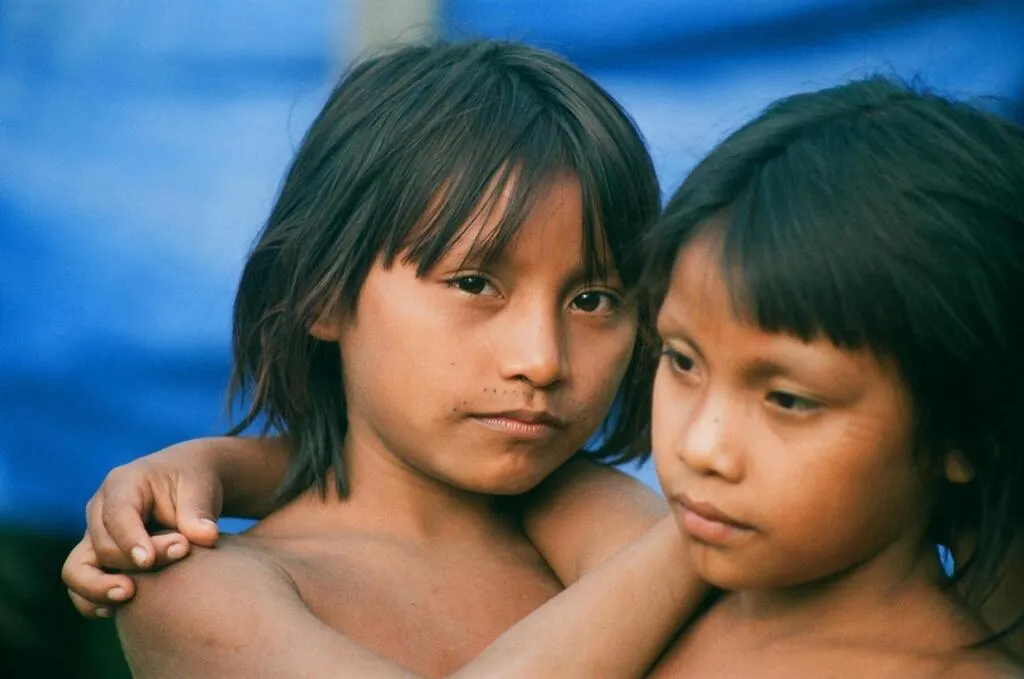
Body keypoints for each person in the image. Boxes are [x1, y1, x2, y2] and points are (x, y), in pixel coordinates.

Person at [66, 76, 1024, 677]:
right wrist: (228, 467)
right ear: (322, 291)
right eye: (476, 281)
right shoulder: (198, 587)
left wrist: (230, 460)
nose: (540, 359)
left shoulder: (600, 520)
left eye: (598, 299)